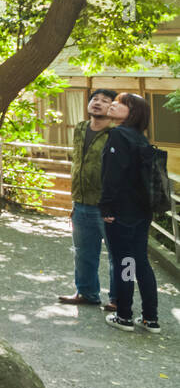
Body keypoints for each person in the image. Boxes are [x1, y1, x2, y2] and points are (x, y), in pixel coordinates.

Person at [100, 93, 160, 334]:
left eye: (121, 103)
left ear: (133, 112)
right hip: (142, 212)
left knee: (125, 262)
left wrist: (107, 207)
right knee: (141, 262)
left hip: (121, 213)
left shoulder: (118, 135)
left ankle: (124, 315)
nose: (114, 104)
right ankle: (151, 318)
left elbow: (113, 176)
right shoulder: (141, 139)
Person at [58, 88, 118, 309]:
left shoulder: (117, 133)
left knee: (117, 256)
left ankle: (118, 299)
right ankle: (86, 293)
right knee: (83, 252)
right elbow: (78, 165)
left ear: (112, 107)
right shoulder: (81, 128)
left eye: (105, 101)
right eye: (95, 99)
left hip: (108, 206)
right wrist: (74, 200)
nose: (98, 103)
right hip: (81, 203)